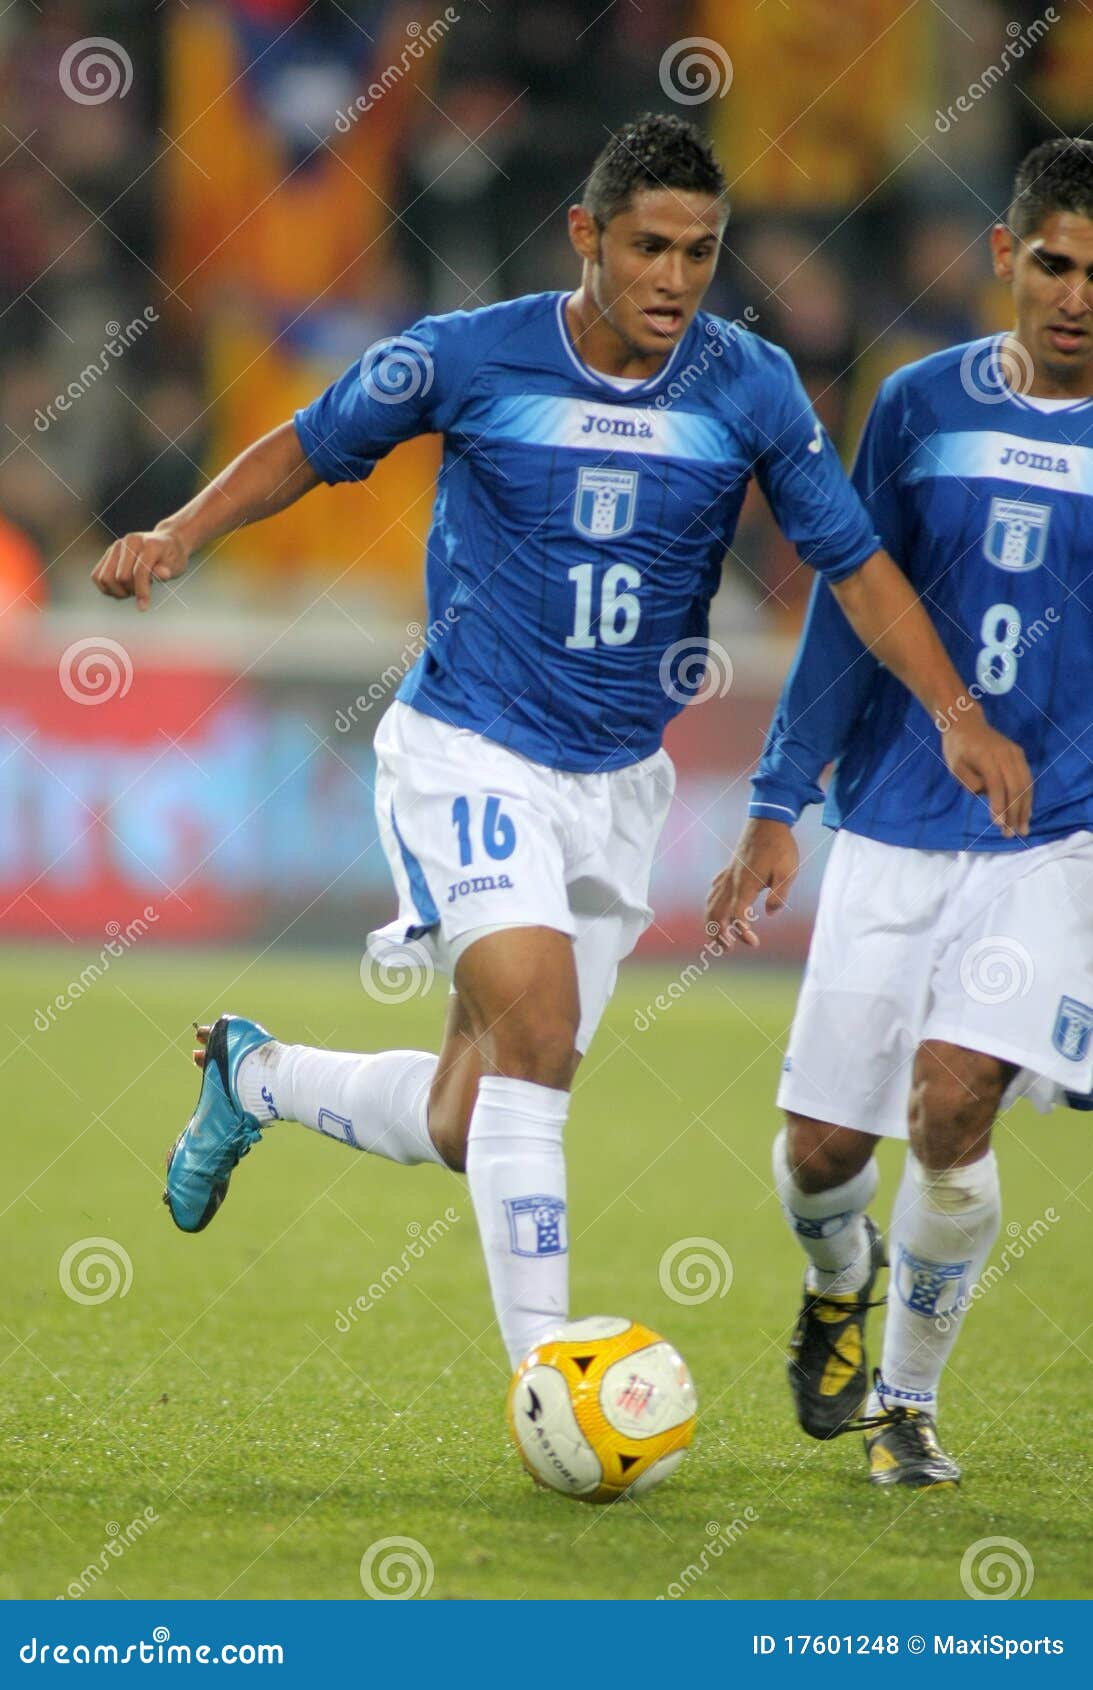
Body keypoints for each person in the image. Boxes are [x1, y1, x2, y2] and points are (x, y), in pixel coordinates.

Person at [92, 113, 1028, 1373]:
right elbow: (310, 445)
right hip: (470, 750)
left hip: (617, 783)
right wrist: (180, 532)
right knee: (533, 1039)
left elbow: (853, 567)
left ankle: (255, 1080)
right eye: (648, 247)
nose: (674, 279)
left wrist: (955, 715)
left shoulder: (746, 385)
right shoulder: (471, 354)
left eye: (699, 252)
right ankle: (550, 1378)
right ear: (586, 235)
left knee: (468, 1118)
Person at [708, 137, 1093, 1488]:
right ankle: (836, 1278)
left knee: (952, 1101)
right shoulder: (919, 405)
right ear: (1004, 254)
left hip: (1055, 839)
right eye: (1053, 262)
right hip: (890, 819)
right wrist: (777, 797)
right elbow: (848, 607)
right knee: (823, 1153)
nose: (1076, 297)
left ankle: (905, 1405)